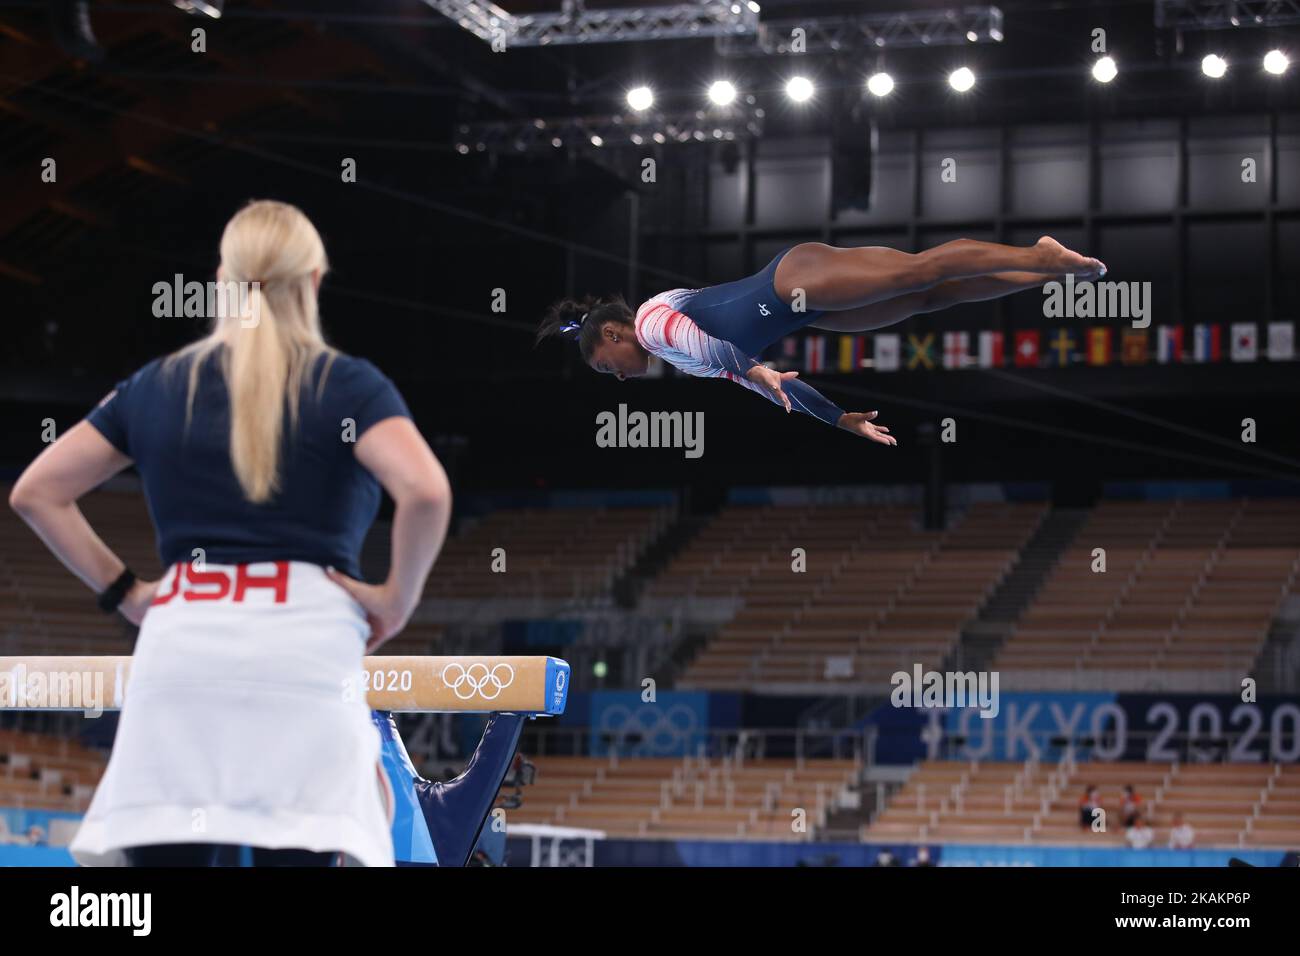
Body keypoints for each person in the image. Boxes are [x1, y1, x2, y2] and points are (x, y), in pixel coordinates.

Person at [8, 200, 452, 867]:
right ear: (314, 280)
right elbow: (426, 490)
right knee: (302, 847)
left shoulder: (157, 386)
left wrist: (126, 592)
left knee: (165, 856)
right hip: (304, 638)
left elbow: (36, 492)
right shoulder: (349, 386)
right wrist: (396, 598)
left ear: (222, 278)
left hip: (184, 635)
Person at [537, 237, 1105, 442]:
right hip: (806, 311)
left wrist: (753, 370)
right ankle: (1048, 272)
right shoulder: (680, 360)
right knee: (933, 296)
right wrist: (838, 419)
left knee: (917, 271)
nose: (618, 378)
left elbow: (717, 349)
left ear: (613, 332)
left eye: (607, 366)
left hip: (793, 281)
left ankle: (1038, 253)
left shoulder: (655, 323)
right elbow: (773, 387)